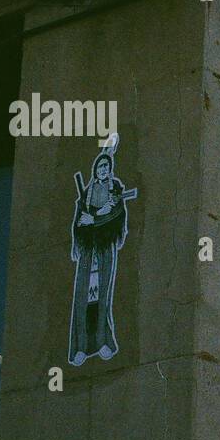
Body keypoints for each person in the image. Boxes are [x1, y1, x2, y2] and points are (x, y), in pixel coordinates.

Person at [68, 150, 129, 365]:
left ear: (109, 169)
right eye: (100, 166)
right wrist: (89, 219)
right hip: (88, 250)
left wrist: (93, 219)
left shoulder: (115, 191)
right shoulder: (87, 194)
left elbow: (115, 215)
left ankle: (103, 342)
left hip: (104, 247)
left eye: (106, 166)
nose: (103, 169)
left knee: (103, 293)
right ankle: (81, 348)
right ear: (95, 170)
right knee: (83, 295)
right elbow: (80, 222)